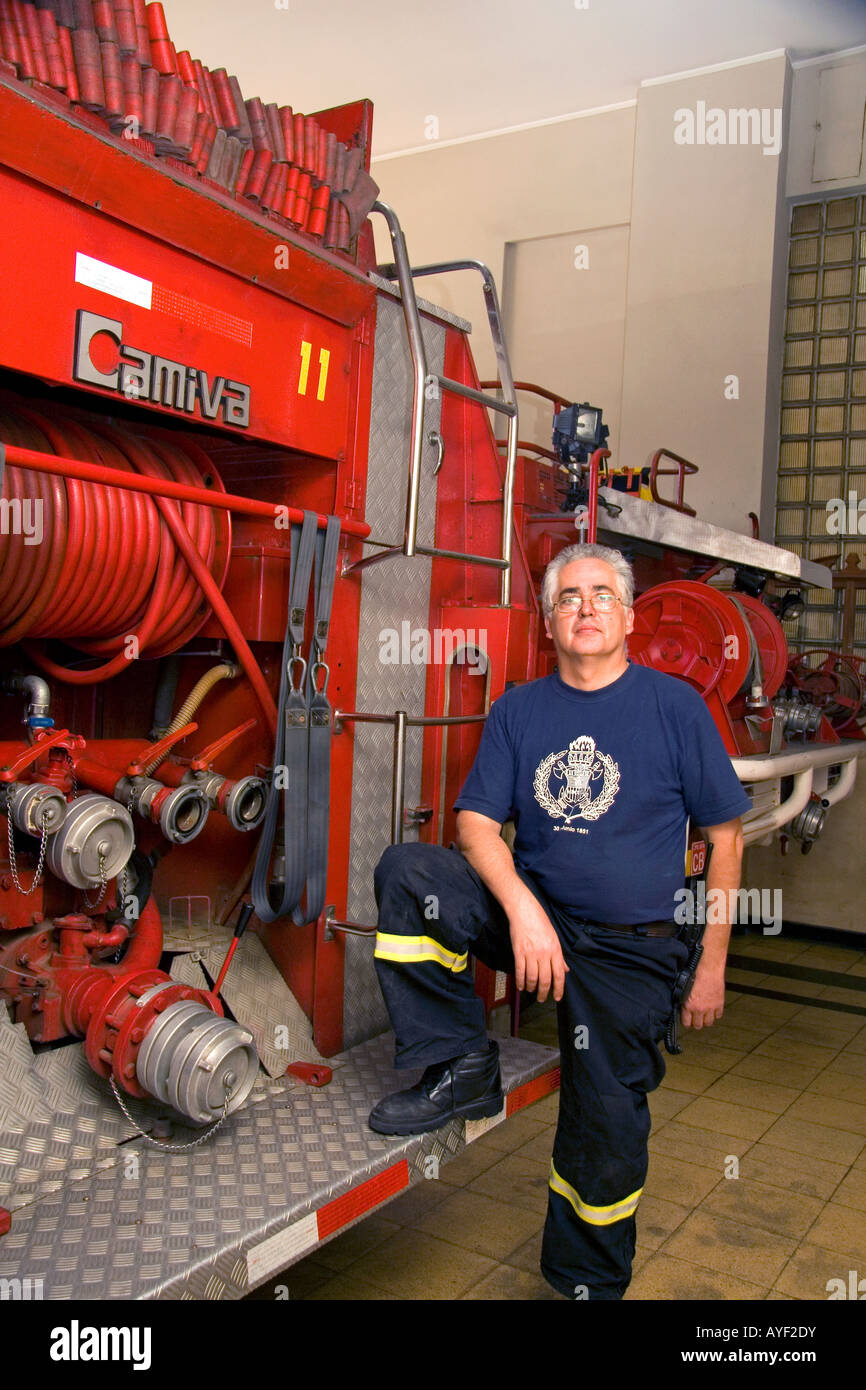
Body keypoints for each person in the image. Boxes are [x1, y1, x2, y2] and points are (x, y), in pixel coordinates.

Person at [368, 542, 752, 1299]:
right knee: (411, 872)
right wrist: (524, 913)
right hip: (538, 927)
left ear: (630, 617)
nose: (586, 608)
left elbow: (726, 837)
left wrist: (710, 966)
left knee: (602, 1123)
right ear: (548, 620)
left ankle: (585, 1287)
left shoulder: (674, 708)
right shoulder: (520, 710)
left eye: (603, 595)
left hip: (630, 952)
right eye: (570, 597)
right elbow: (475, 823)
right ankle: (461, 1064)